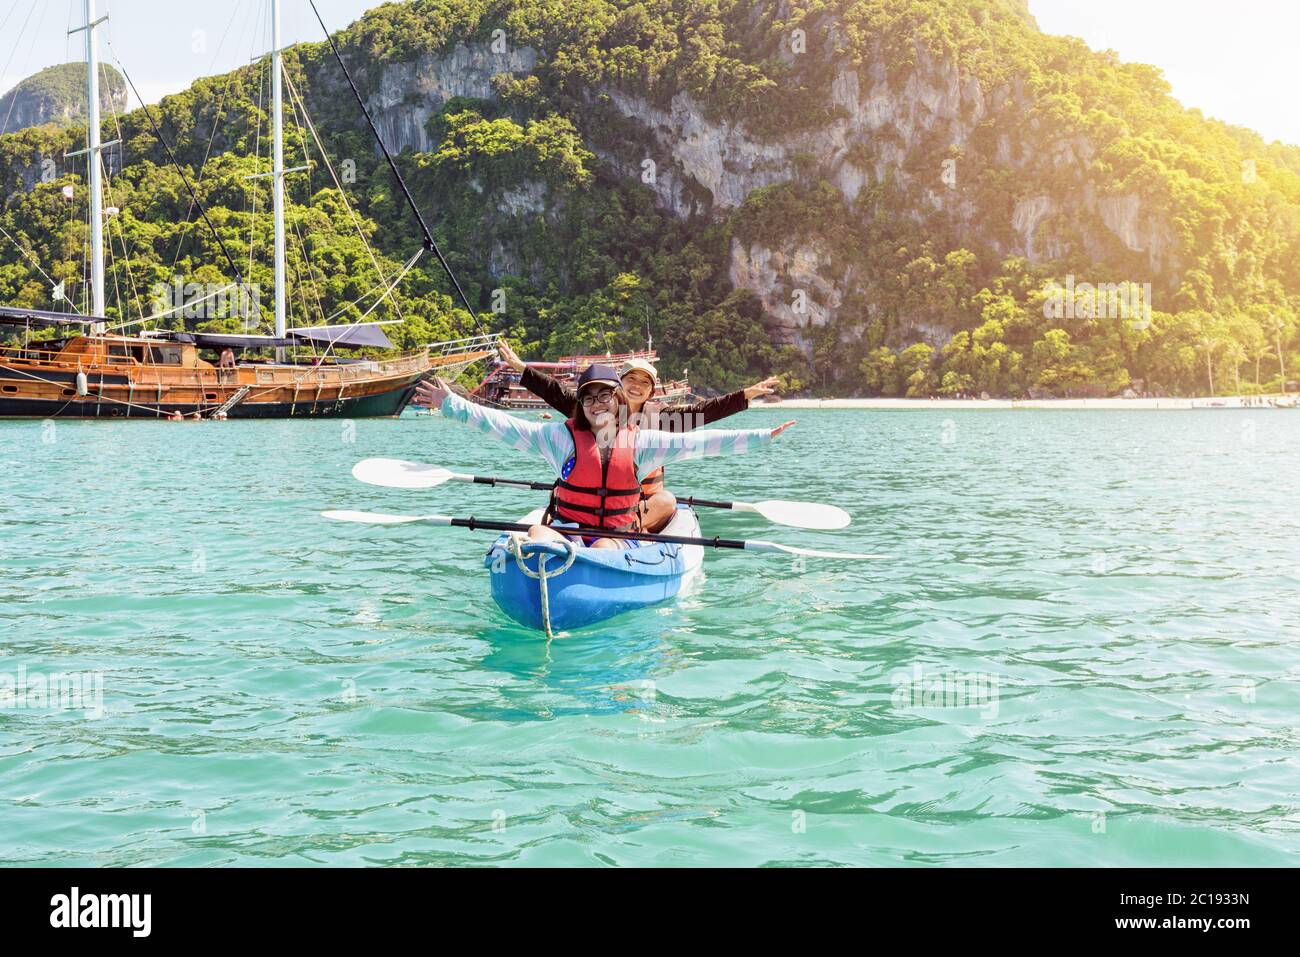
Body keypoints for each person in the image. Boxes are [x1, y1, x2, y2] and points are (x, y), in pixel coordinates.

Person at [414, 365, 793, 550]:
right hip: (567, 528)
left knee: (614, 542)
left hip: (613, 535)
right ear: (581, 403)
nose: (598, 403)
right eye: (589, 397)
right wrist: (453, 406)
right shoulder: (559, 437)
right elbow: (504, 425)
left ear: (619, 400)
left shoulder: (648, 436)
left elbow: (703, 441)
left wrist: (761, 436)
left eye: (605, 396)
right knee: (537, 533)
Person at [497, 341, 780, 532]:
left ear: (651, 391)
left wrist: (745, 396)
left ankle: (629, 533)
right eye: (631, 380)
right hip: (589, 509)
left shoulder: (663, 420)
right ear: (618, 385)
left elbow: (703, 412)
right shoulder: (590, 409)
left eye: (644, 383)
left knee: (667, 501)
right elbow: (553, 391)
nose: (637, 387)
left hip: (638, 508)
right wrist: (522, 369)